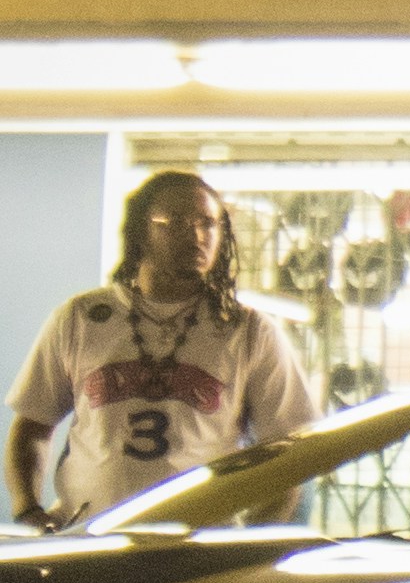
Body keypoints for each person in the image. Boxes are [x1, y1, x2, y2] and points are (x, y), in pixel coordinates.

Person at [8, 172, 321, 524]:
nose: (196, 236)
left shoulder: (250, 331)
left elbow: (289, 453)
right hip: (89, 536)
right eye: (175, 223)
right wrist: (28, 509)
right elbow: (32, 427)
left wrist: (252, 540)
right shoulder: (80, 318)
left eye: (208, 224)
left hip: (196, 545)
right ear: (141, 232)